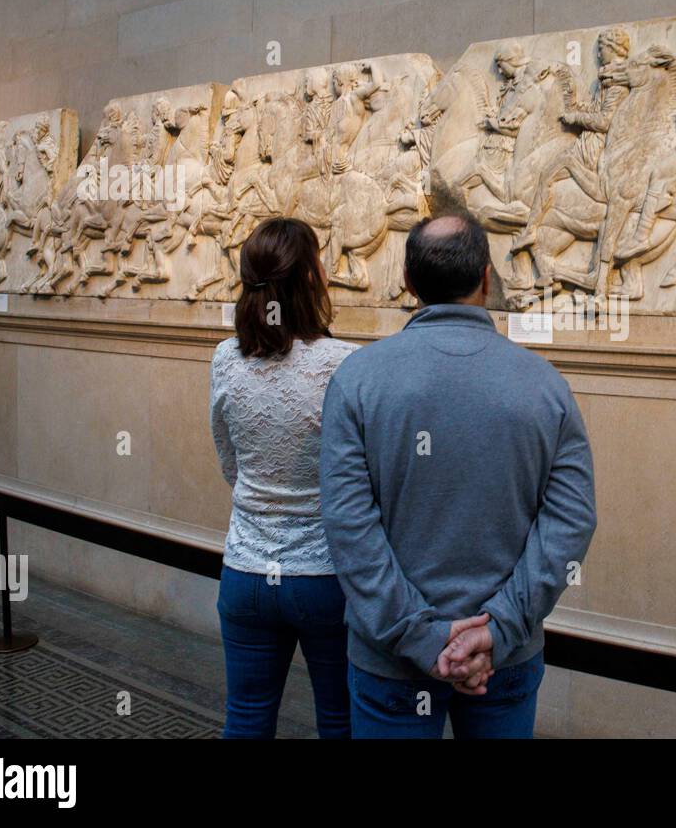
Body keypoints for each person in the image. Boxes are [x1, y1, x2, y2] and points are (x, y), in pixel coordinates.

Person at [321, 213, 597, 739]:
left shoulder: (357, 380)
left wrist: (422, 638)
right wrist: (500, 627)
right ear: (487, 279)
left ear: (407, 281)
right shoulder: (545, 386)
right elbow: (572, 522)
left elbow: (349, 528)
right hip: (503, 658)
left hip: (393, 663)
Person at [209, 217, 357, 738]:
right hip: (324, 576)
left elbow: (229, 462)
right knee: (340, 721)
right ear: (310, 278)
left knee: (246, 717)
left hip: (246, 570)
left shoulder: (226, 358)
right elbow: (358, 480)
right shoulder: (345, 363)